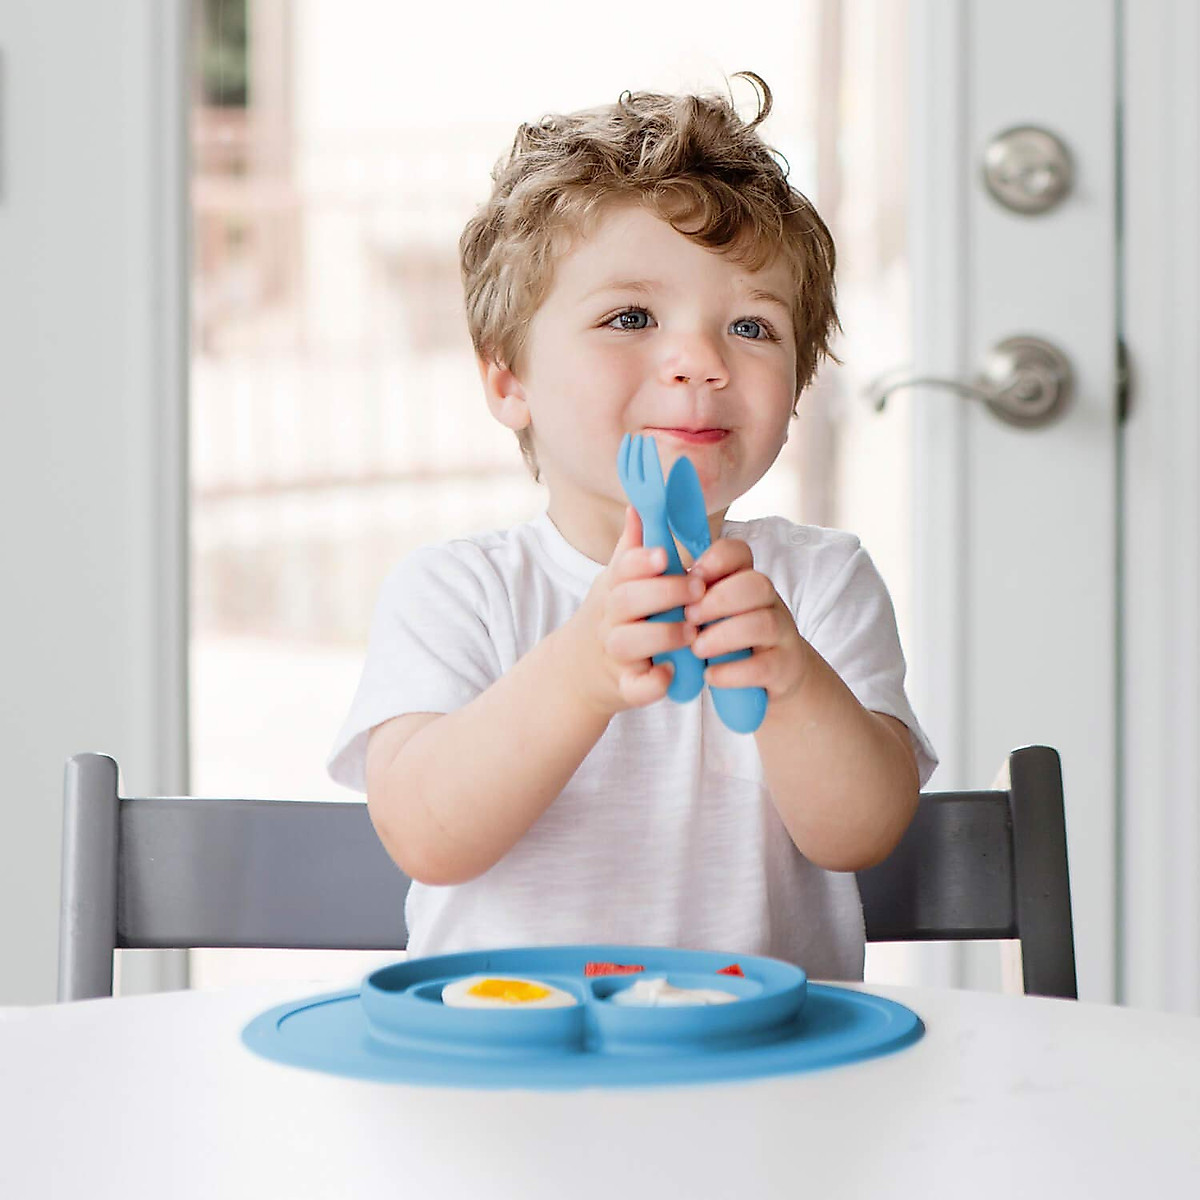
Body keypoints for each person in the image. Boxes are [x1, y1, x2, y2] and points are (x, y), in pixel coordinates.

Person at [327, 72, 938, 980]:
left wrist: (794, 681)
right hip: (510, 1072)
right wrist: (579, 671)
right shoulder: (459, 592)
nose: (698, 360)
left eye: (753, 327)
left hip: (761, 1071)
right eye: (631, 317)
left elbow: (863, 834)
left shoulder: (818, 583)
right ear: (509, 381)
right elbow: (426, 834)